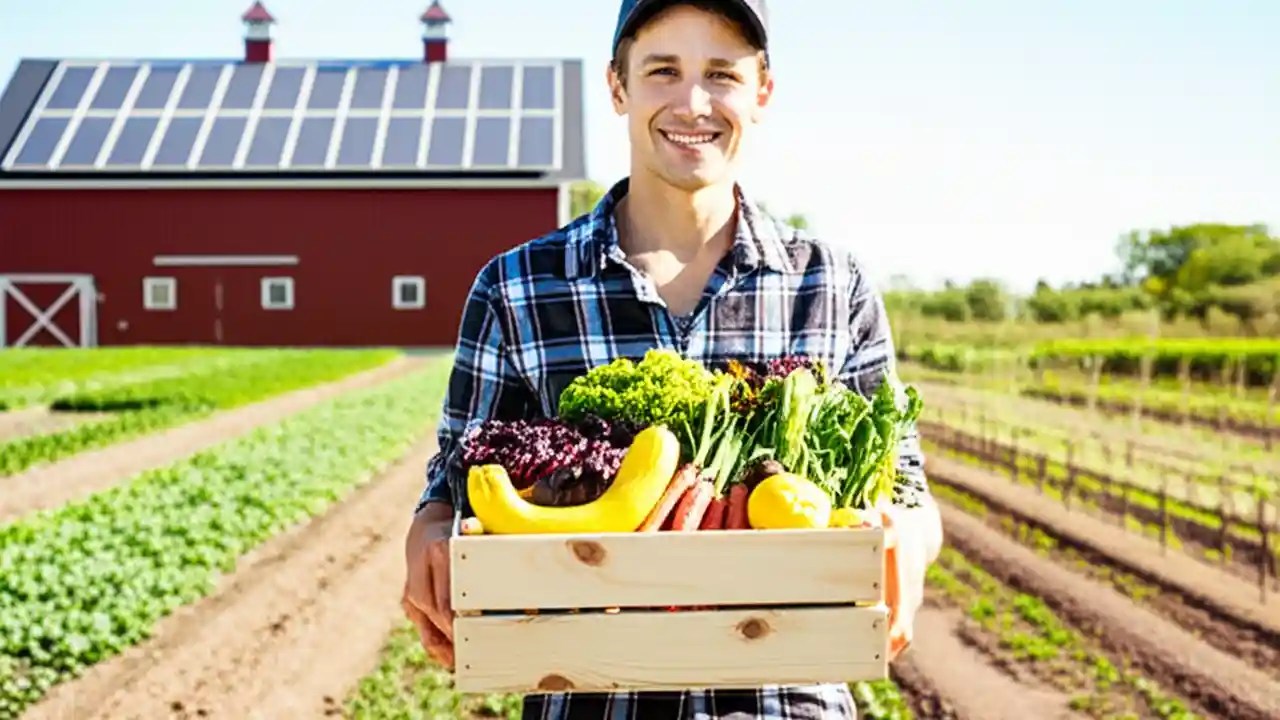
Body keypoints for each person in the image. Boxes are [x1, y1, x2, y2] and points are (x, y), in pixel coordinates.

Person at [401, 0, 944, 717]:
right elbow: (451, 485)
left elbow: (906, 490)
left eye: (721, 73)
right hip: (586, 694)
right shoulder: (518, 289)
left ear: (763, 93)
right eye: (663, 71)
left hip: (786, 697)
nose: (693, 103)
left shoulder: (829, 285)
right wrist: (432, 537)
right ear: (618, 87)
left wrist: (906, 538)